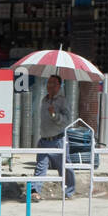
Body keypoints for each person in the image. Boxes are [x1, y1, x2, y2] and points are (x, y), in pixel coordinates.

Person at [29, 74, 74, 203]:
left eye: (54, 83)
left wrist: (54, 115)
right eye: (49, 83)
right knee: (40, 167)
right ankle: (35, 191)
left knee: (65, 167)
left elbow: (66, 121)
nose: (50, 86)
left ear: (59, 86)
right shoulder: (45, 100)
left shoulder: (63, 101)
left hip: (58, 140)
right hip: (44, 140)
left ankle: (69, 191)